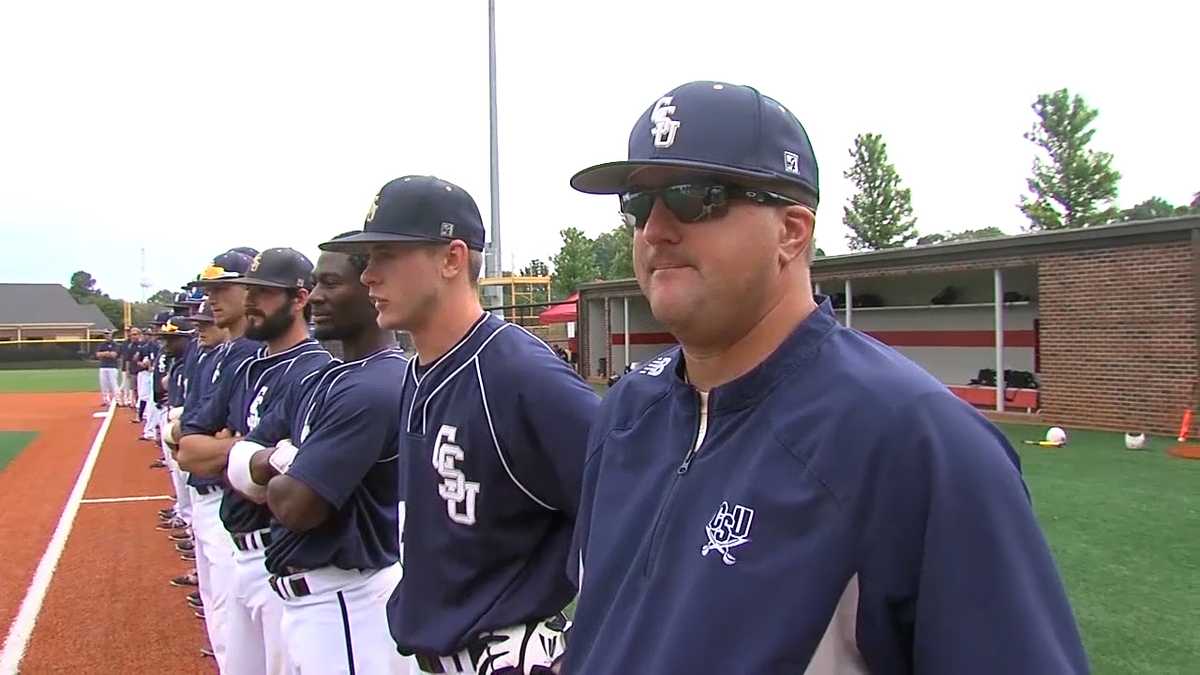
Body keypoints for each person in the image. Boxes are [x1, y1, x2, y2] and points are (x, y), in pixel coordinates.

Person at [562, 80, 1090, 674]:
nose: (654, 230)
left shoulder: (917, 442)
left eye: (692, 197)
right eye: (637, 205)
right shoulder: (625, 412)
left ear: (792, 231)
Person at [322, 175, 600, 674]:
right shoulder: (420, 369)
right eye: (366, 260)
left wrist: (581, 645)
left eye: (386, 255)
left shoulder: (518, 372)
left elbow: (634, 508)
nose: (368, 276)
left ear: (452, 259)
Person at [225, 237, 411, 673]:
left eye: (331, 283)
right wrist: (281, 460)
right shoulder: (324, 377)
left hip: (348, 599)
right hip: (307, 601)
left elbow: (296, 507)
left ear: (371, 288)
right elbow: (240, 459)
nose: (318, 298)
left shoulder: (375, 384)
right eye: (315, 284)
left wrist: (273, 463)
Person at [179, 247, 332, 675]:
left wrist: (233, 450)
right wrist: (244, 451)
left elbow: (283, 473)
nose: (250, 302)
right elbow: (189, 450)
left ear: (299, 298)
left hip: (277, 551)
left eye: (261, 293)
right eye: (248, 291)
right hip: (239, 544)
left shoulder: (313, 368)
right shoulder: (246, 366)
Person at [94, 329, 120, 406]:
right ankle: (106, 400)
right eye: (105, 334)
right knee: (104, 384)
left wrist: (104, 353)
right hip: (103, 366)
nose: (107, 335)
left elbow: (114, 355)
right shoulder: (102, 344)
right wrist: (107, 353)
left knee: (113, 384)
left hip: (112, 367)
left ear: (111, 334)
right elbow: (98, 354)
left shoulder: (115, 344)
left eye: (108, 334)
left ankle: (117, 400)